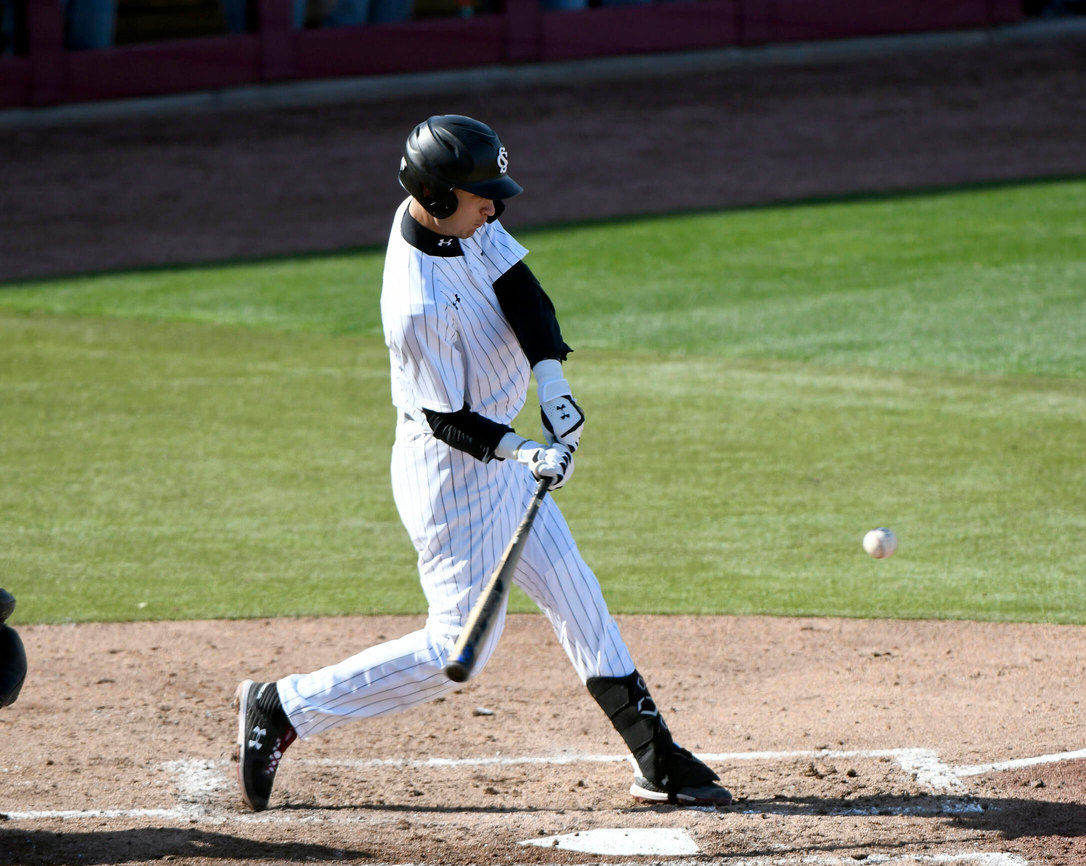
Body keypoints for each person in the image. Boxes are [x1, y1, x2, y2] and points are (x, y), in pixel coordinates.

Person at [235, 115, 731, 813]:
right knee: (451, 653)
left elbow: (520, 289)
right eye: (481, 198)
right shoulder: (417, 303)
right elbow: (447, 419)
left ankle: (659, 758)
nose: (494, 207)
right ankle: (285, 706)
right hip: (453, 478)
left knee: (575, 591)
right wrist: (525, 448)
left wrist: (552, 376)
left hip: (497, 456)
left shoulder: (457, 222)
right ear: (437, 198)